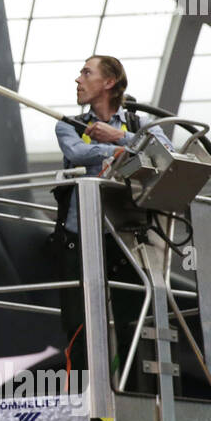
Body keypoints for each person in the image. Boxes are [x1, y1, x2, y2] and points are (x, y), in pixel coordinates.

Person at [50, 55, 172, 388]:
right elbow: (76, 153)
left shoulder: (138, 124)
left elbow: (167, 153)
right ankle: (83, 393)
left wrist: (119, 137)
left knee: (132, 315)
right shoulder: (69, 125)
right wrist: (118, 152)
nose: (78, 79)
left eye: (86, 73)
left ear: (109, 82)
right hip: (79, 233)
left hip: (126, 234)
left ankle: (139, 395)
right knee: (78, 320)